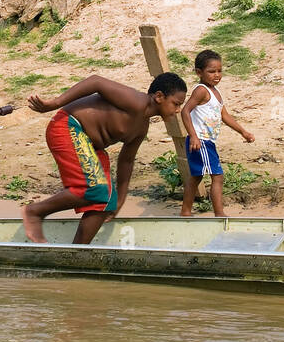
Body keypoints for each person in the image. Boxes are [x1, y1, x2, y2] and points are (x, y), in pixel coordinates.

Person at [23, 72, 188, 243]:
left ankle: (77, 252)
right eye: (176, 104)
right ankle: (35, 211)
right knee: (91, 188)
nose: (177, 110)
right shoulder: (136, 101)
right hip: (68, 126)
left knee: (107, 199)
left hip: (92, 146)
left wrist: (121, 199)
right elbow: (96, 82)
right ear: (159, 96)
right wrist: (55, 103)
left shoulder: (141, 128)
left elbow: (126, 161)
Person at [179, 50, 254, 217]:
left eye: (219, 71)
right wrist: (194, 136)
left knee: (196, 177)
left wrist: (243, 132)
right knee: (217, 176)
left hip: (206, 141)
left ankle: (185, 211)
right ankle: (219, 214)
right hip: (201, 141)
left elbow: (224, 116)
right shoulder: (201, 90)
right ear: (199, 72)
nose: (217, 75)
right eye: (211, 71)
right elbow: (185, 111)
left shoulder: (216, 92)